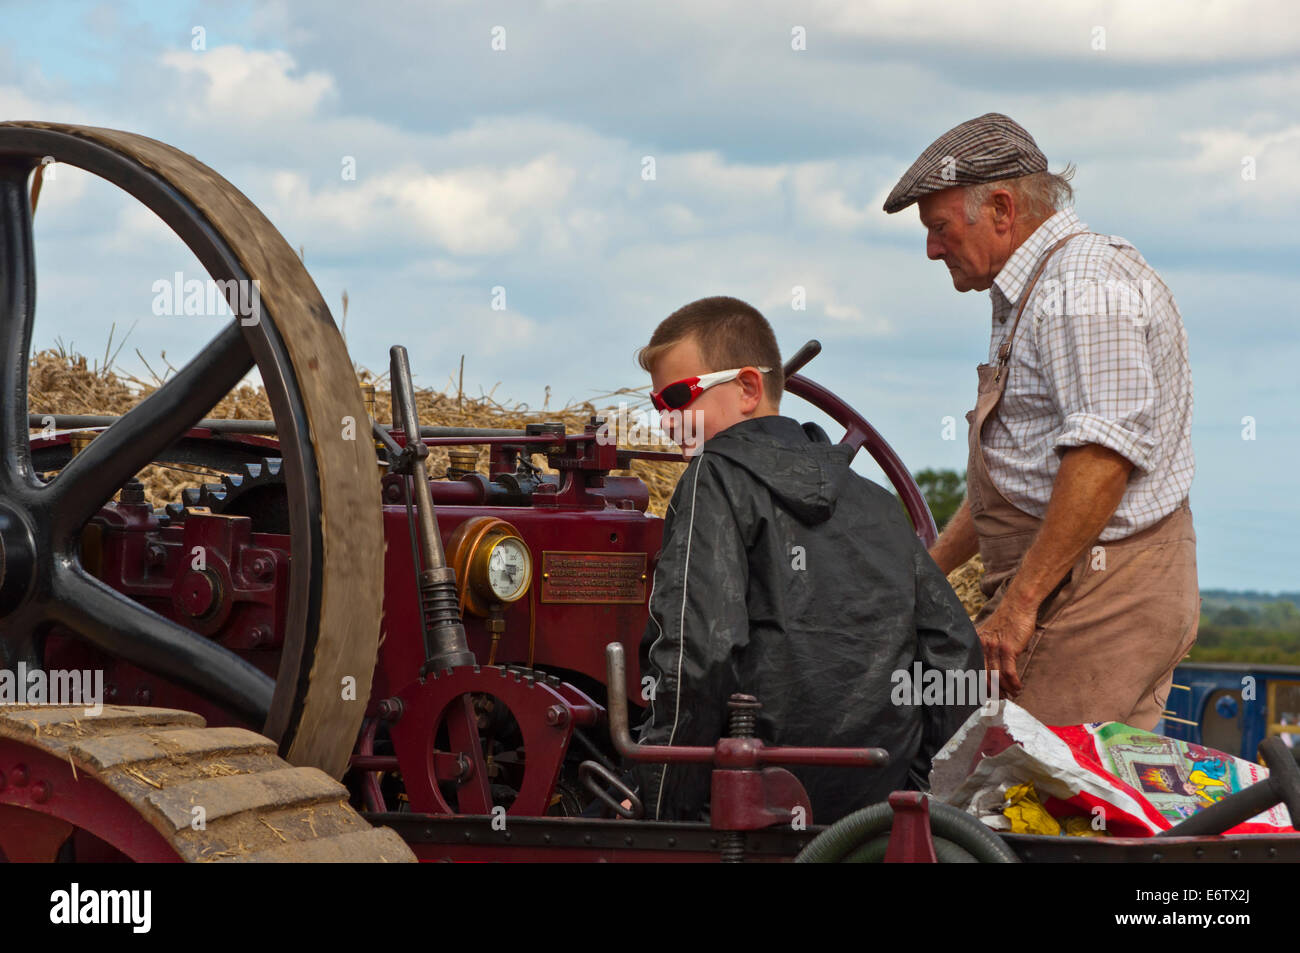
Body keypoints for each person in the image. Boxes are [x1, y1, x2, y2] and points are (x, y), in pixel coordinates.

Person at [882, 113, 1198, 730]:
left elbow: (1102, 459)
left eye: (940, 228)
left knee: (1024, 801)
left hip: (1095, 595)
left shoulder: (1083, 288)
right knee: (1077, 806)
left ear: (1001, 207)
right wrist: (927, 569)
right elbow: (1024, 476)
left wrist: (1018, 607)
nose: (931, 248)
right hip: (1082, 586)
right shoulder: (1034, 290)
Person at [631, 296, 983, 822]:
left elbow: (696, 658)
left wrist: (659, 811)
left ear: (748, 387)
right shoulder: (875, 501)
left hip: (749, 813)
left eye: (680, 397)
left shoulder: (714, 478)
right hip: (870, 816)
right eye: (659, 405)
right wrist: (914, 798)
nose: (667, 422)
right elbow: (957, 659)